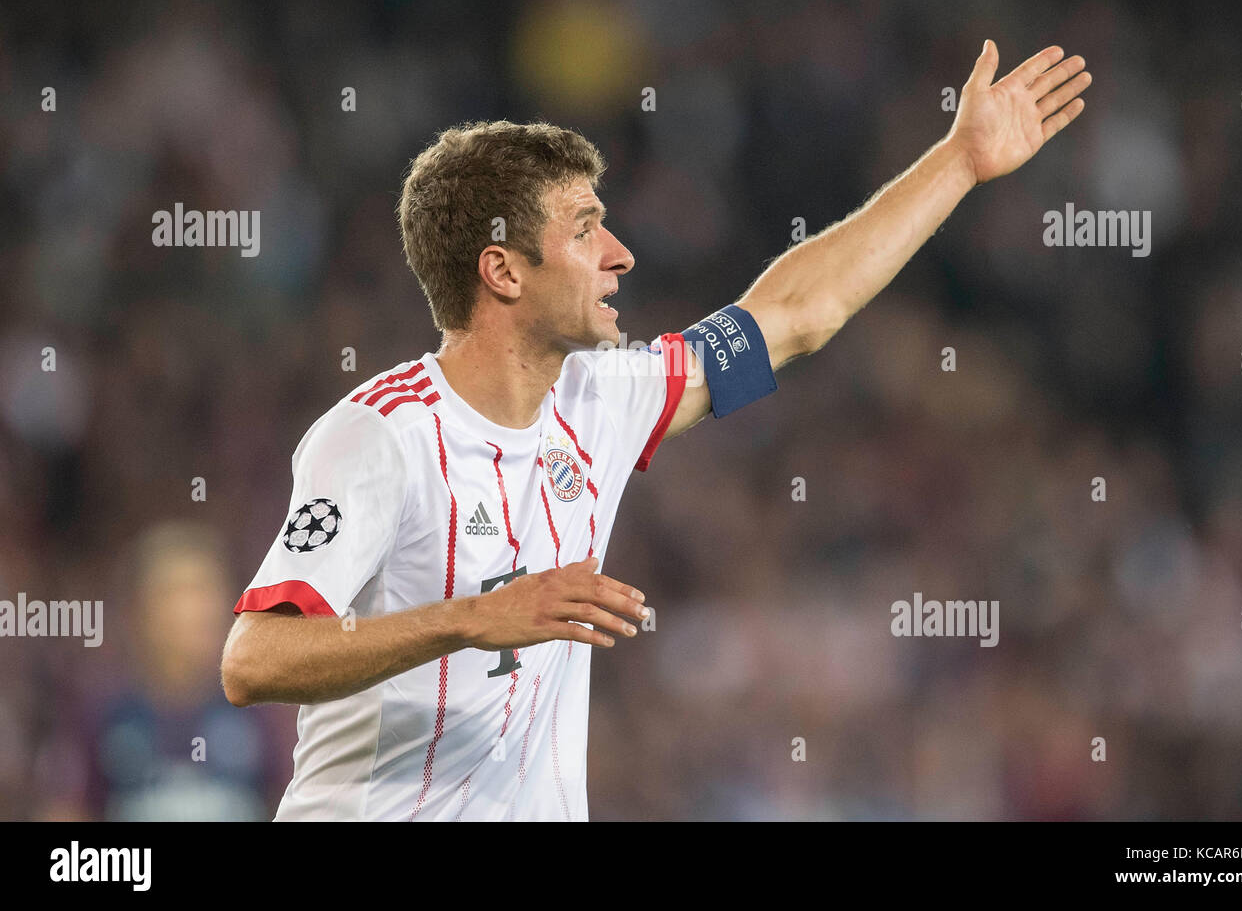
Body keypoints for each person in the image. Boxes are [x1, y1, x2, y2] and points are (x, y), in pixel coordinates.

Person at [220, 40, 1090, 820]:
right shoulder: (381, 434)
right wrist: (472, 619)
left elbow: (794, 314)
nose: (621, 255)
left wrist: (959, 164)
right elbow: (254, 660)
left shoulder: (601, 397)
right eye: (586, 230)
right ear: (502, 271)